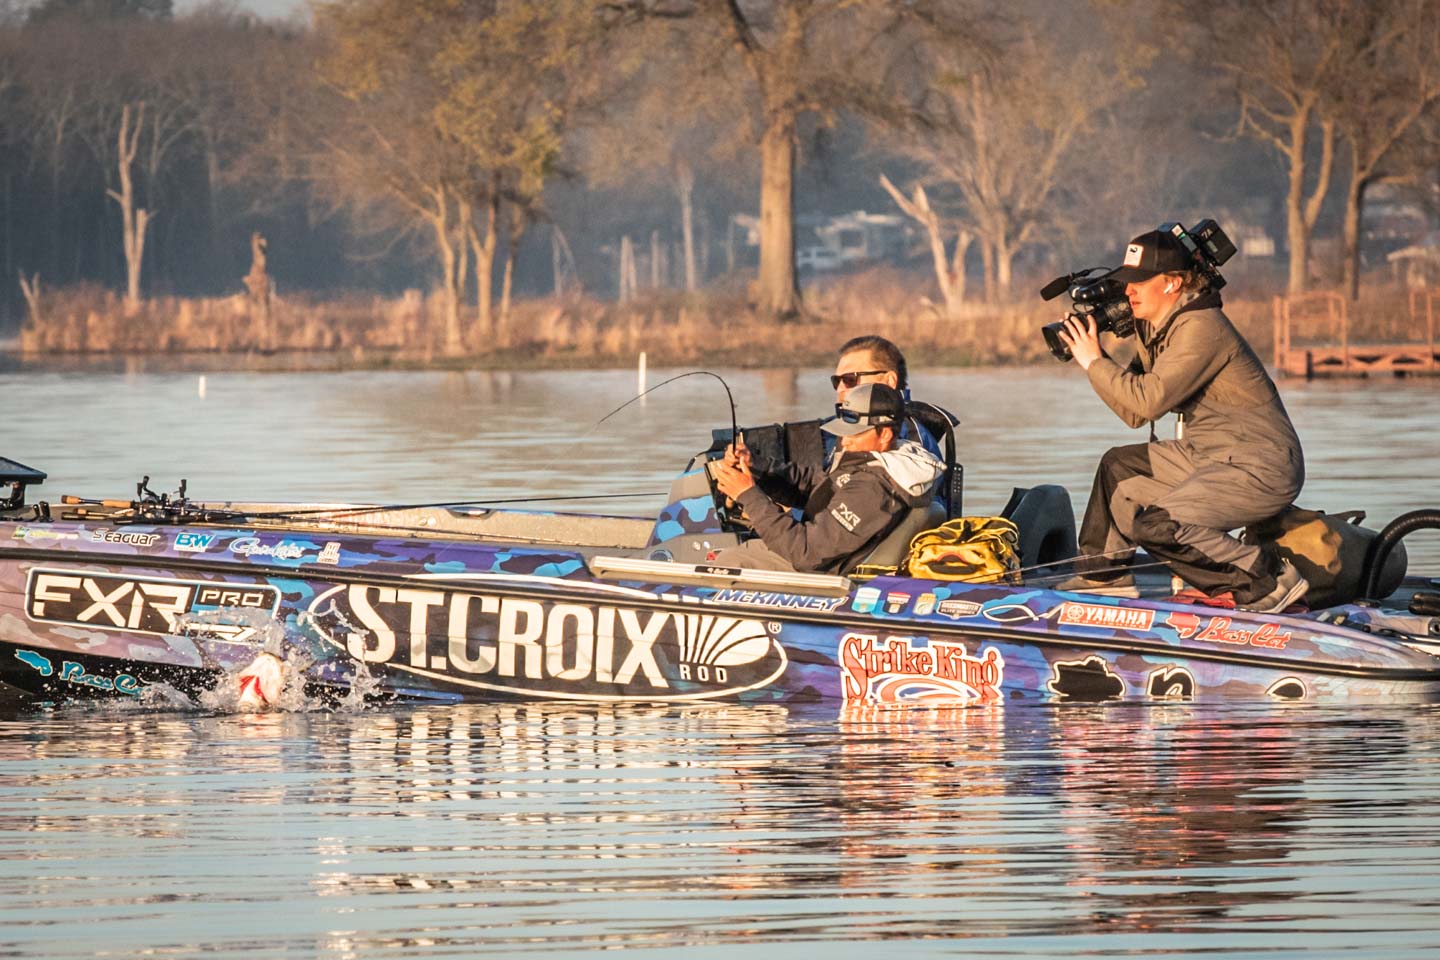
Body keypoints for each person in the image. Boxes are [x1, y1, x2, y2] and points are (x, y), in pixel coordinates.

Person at [1054, 228, 1308, 613]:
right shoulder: (1162, 328)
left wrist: (1095, 361)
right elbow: (1134, 412)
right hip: (1210, 455)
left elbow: (1147, 400)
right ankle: (1103, 578)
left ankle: (1266, 581)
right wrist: (1099, 356)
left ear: (1172, 283)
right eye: (1126, 282)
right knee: (1119, 467)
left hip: (1261, 467)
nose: (1128, 291)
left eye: (1140, 282)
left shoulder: (1202, 327)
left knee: (1157, 527)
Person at [709, 383, 944, 575]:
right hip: (816, 552)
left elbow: (806, 553)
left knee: (727, 561)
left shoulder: (873, 488)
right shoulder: (884, 461)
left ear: (885, 434)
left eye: (854, 434)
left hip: (820, 572)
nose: (844, 441)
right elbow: (820, 486)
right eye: (843, 432)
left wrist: (748, 495)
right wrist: (757, 467)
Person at [831, 335, 941, 456]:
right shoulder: (832, 425)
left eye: (849, 379)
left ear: (889, 380)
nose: (840, 389)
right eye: (836, 381)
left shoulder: (904, 434)